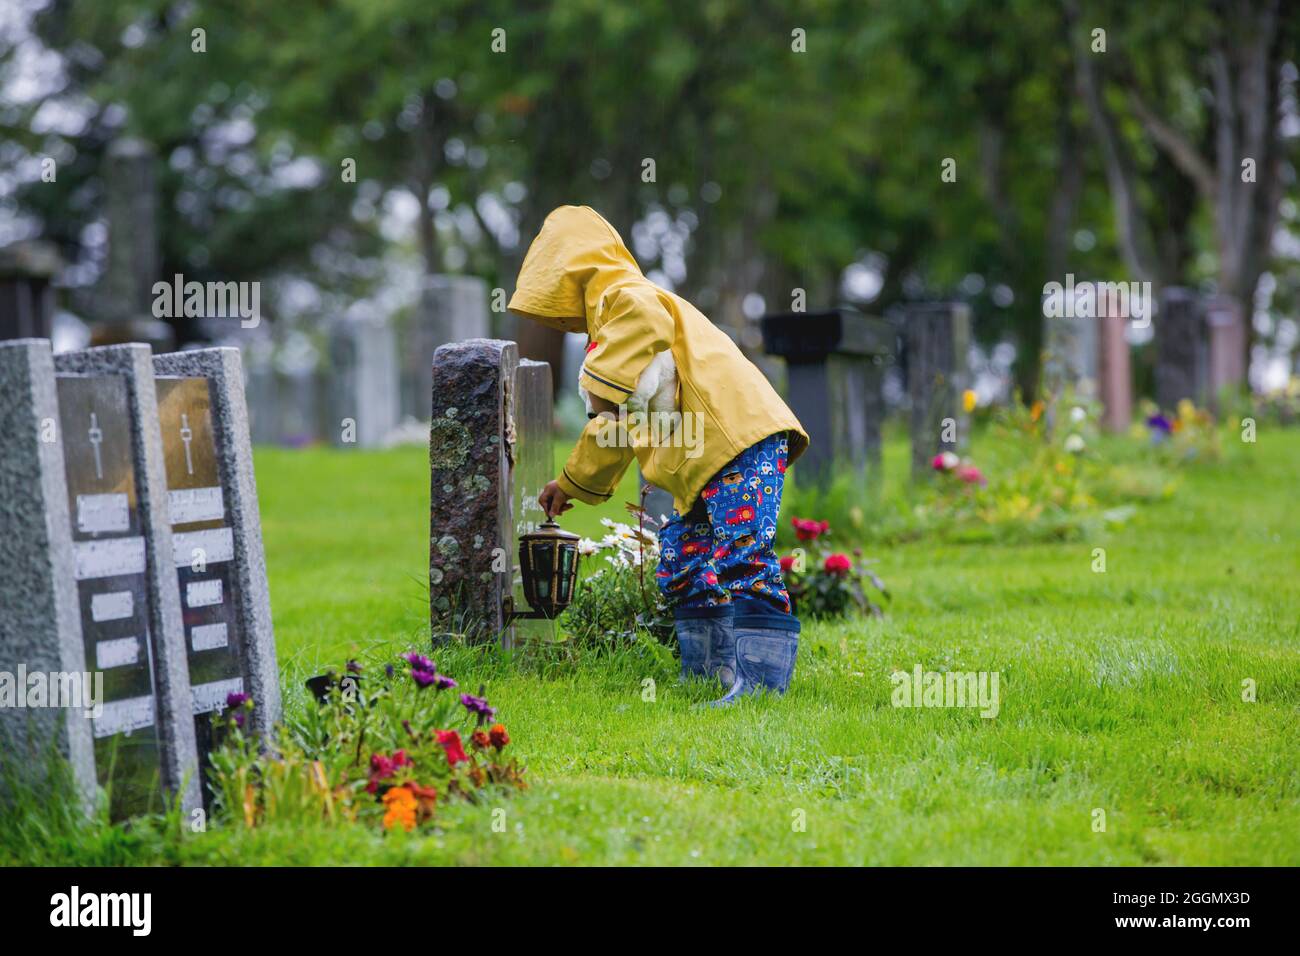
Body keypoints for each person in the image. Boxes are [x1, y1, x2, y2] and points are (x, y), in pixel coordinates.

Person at [508, 205, 809, 705]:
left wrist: (601, 385)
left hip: (736, 439)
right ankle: (709, 675)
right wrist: (571, 482)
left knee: (742, 555)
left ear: (575, 274)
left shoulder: (629, 297)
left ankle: (761, 686)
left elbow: (624, 374)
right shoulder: (615, 318)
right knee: (681, 560)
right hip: (704, 458)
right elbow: (622, 427)